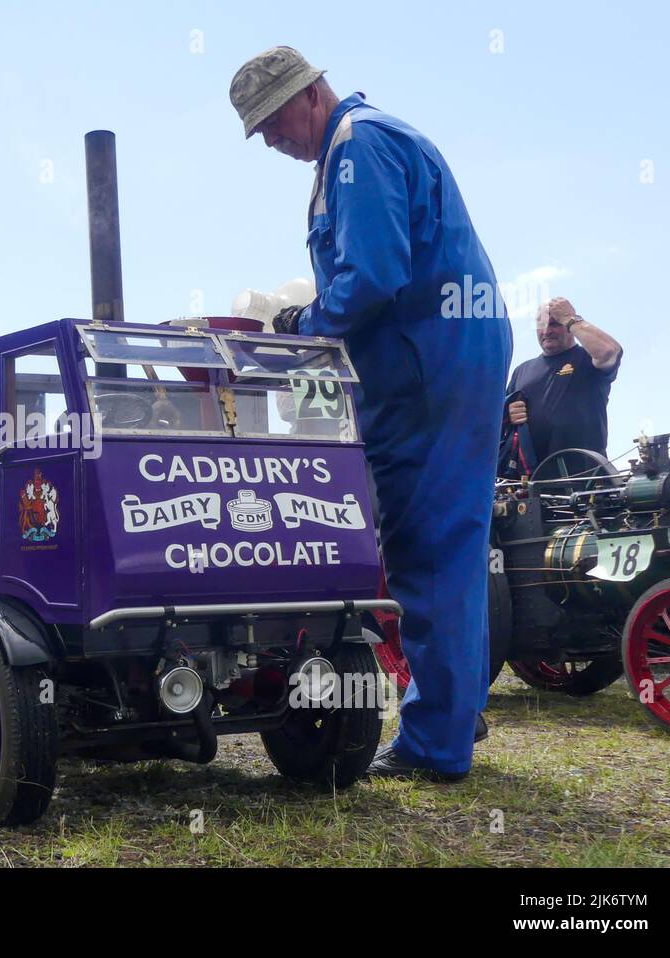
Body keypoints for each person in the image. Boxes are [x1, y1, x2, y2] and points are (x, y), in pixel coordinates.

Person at [230, 48, 512, 781]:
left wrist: (296, 323)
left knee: (428, 547)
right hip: (434, 360)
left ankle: (437, 744)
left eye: (270, 121)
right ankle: (450, 721)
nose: (268, 140)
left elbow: (375, 274)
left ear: (310, 93)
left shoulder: (359, 145)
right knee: (438, 548)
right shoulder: (353, 149)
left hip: (430, 364)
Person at [506, 297, 622, 464]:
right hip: (531, 481)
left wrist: (570, 318)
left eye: (554, 324)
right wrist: (509, 413)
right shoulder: (521, 371)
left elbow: (610, 352)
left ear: (570, 327)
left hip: (587, 478)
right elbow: (499, 418)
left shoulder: (588, 359)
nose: (546, 331)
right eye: (541, 324)